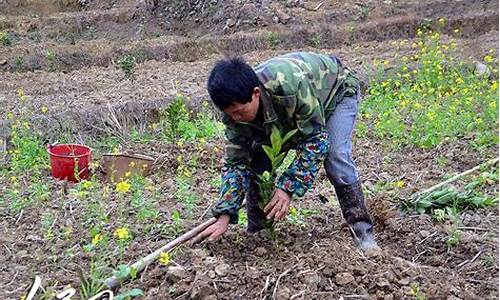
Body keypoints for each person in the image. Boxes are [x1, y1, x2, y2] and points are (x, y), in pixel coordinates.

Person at [194, 52, 378, 251]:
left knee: (335, 155)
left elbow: (316, 140)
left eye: (239, 112)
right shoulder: (235, 115)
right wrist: (225, 213)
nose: (236, 118)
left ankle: (363, 232)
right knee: (259, 162)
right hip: (286, 109)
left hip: (335, 93)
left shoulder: (289, 87)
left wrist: (287, 188)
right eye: (230, 114)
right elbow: (237, 164)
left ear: (256, 93)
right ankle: (260, 235)